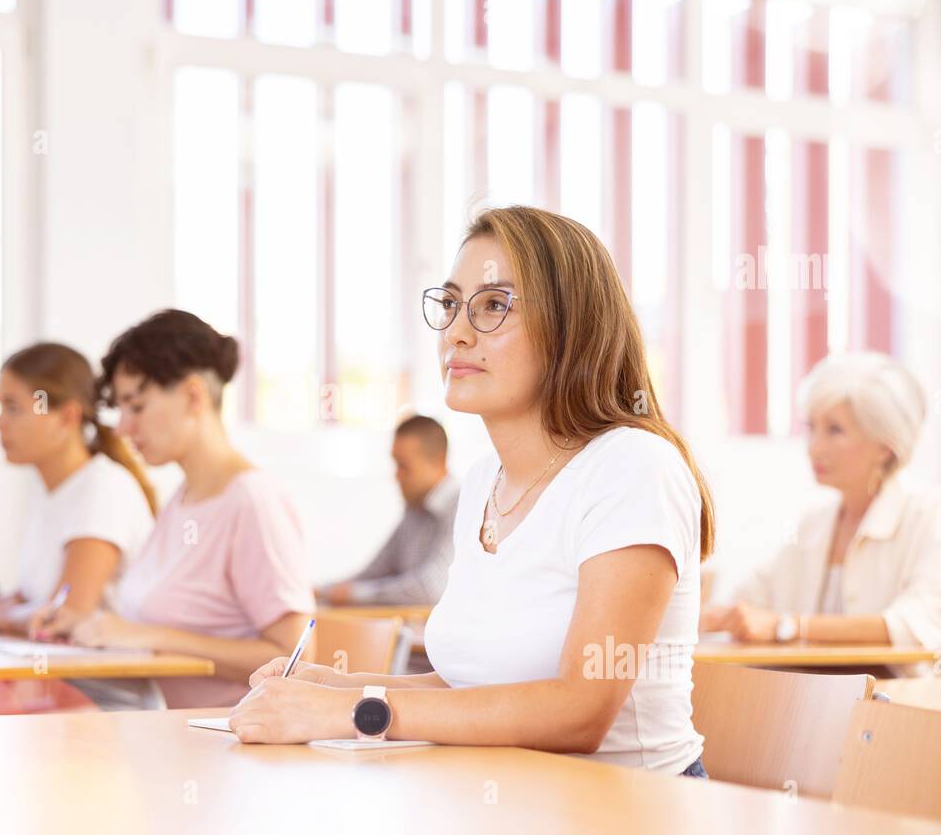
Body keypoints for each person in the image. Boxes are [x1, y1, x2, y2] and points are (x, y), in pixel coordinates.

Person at [231, 206, 715, 778]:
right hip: (508, 797)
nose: (457, 332)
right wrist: (343, 685)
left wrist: (352, 710)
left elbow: (579, 713)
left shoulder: (631, 466)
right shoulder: (486, 479)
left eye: (493, 306)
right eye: (451, 304)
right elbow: (469, 690)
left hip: (627, 811)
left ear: (572, 327)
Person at [46, 309, 316, 709]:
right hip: (165, 729)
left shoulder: (252, 501)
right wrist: (84, 625)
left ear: (193, 395)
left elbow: (295, 657)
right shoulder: (182, 500)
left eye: (136, 407)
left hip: (227, 743)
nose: (122, 427)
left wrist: (147, 637)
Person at [703, 352, 941, 677]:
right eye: (811, 427)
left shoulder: (938, 515)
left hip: (922, 713)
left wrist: (789, 627)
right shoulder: (815, 523)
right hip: (834, 711)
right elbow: (750, 602)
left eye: (835, 430)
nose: (814, 447)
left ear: (885, 445)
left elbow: (922, 622)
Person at [0, 343, 157, 642]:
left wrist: (2, 616)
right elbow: (26, 601)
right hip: (59, 676)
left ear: (67, 416)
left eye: (13, 408)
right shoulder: (54, 493)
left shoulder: (103, 489)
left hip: (101, 686)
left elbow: (63, 616)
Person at [317, 415, 458, 606]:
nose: (396, 476)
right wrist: (323, 590)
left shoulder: (461, 508)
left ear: (438, 462)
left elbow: (429, 590)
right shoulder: (415, 509)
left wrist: (355, 594)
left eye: (403, 466)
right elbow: (376, 571)